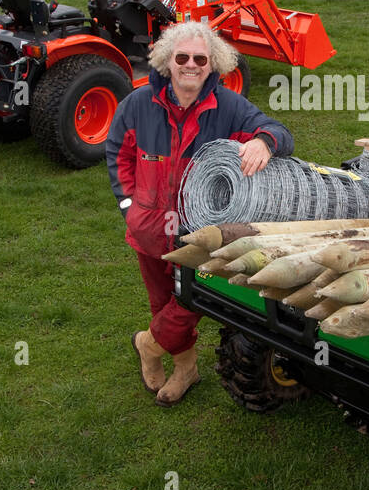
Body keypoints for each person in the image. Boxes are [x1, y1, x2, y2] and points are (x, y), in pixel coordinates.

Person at [106, 21, 294, 406]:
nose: (190, 65)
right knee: (161, 302)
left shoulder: (229, 107)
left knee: (190, 301)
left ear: (212, 65)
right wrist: (129, 206)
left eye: (200, 59)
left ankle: (149, 344)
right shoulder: (138, 104)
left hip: (199, 236)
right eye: (182, 58)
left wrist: (263, 141)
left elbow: (279, 131)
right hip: (147, 230)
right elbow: (118, 154)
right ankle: (185, 369)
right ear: (167, 62)